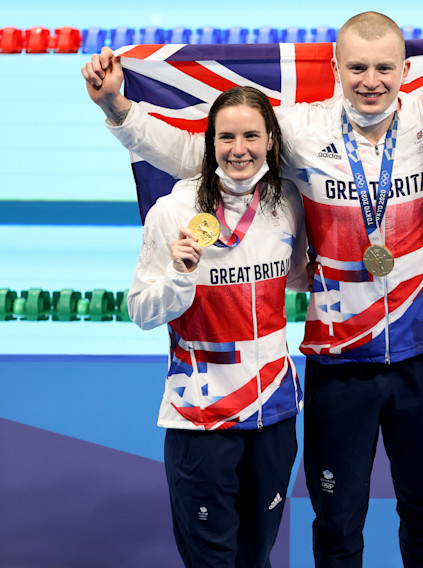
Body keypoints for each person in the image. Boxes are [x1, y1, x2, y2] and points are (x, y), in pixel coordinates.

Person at [82, 12, 423, 568]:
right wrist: (119, 109)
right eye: (357, 67)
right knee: (337, 522)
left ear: (405, 69)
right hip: (340, 360)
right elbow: (205, 154)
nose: (371, 80)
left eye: (384, 68)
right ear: (336, 69)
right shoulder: (301, 131)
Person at [124, 86, 308, 566]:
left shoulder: (286, 201)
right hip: (201, 415)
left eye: (251, 135)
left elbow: (301, 275)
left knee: (258, 552)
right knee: (212, 557)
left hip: (272, 409)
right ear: (210, 143)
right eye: (226, 137)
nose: (239, 149)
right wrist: (180, 276)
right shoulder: (173, 212)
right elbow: (142, 311)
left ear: (270, 140)